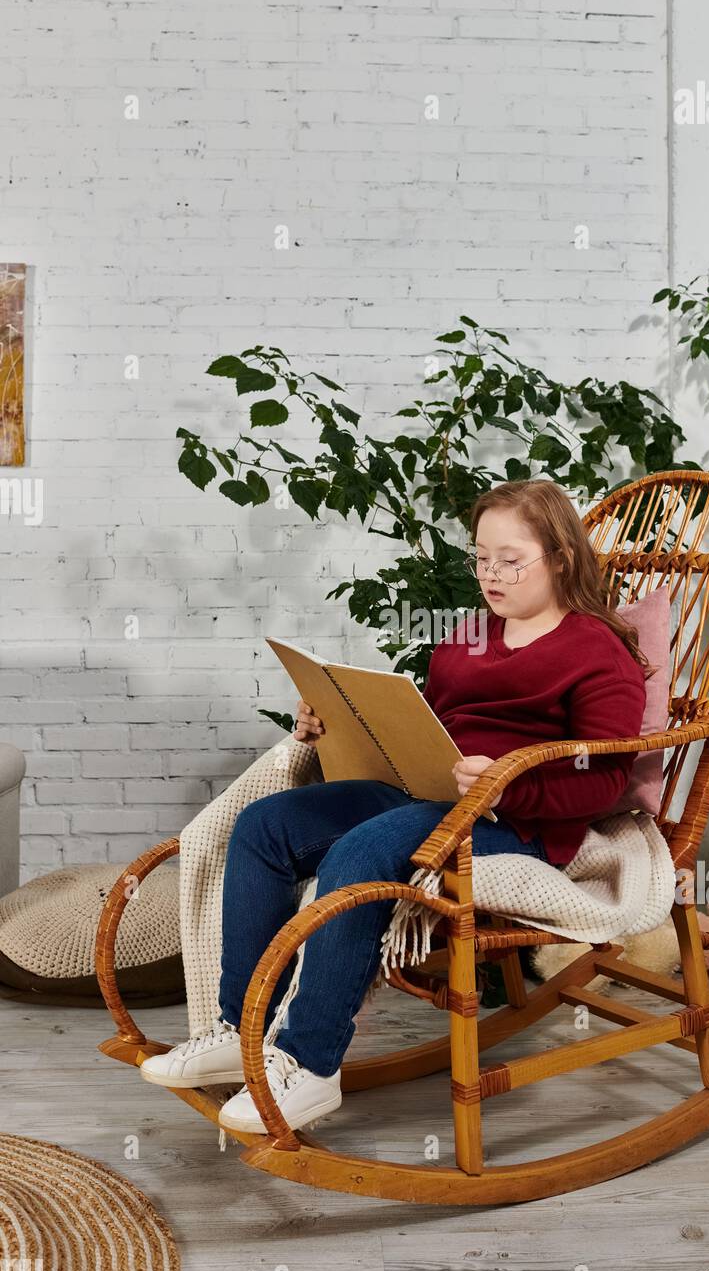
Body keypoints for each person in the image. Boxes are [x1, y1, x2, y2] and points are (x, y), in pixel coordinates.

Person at [140, 478, 650, 1133]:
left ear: (560, 557)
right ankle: (242, 1029)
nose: (491, 574)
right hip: (423, 792)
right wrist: (336, 728)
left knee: (361, 851)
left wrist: (506, 783)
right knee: (265, 827)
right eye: (481, 557)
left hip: (506, 819)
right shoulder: (469, 635)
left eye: (510, 560)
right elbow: (430, 729)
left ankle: (310, 1063)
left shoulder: (597, 651)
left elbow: (602, 781)